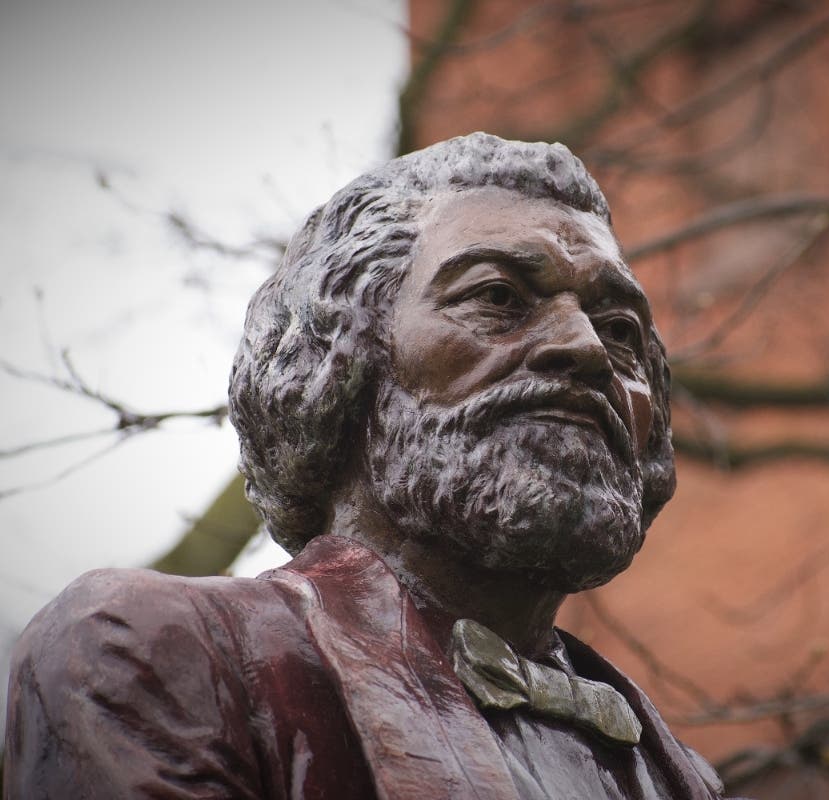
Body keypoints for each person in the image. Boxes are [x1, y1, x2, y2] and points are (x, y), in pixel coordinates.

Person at [4, 133, 733, 799]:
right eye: (497, 298)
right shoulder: (159, 650)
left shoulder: (687, 779)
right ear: (343, 360)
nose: (587, 348)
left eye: (620, 330)